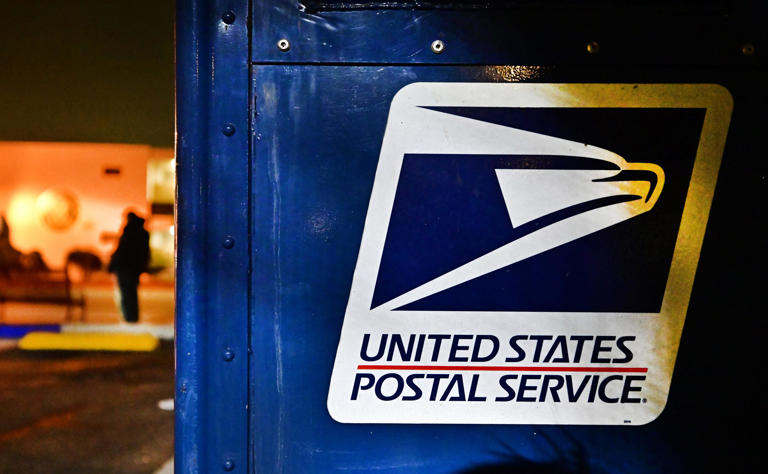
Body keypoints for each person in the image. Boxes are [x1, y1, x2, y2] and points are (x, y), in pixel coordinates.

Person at [108, 211, 150, 323]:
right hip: (134, 268)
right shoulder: (143, 233)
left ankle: (129, 317)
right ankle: (132, 316)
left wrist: (112, 264)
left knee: (126, 292)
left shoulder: (128, 232)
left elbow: (122, 251)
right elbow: (145, 253)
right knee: (131, 292)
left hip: (125, 267)